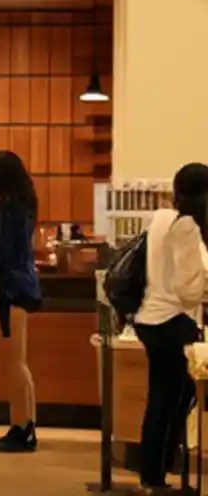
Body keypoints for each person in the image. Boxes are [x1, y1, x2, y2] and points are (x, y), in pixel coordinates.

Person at [134, 163, 208, 493]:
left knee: (160, 399)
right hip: (174, 322)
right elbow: (189, 290)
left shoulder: (161, 217)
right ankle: (157, 477)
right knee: (175, 399)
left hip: (150, 318)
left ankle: (153, 476)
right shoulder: (187, 226)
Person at [0, 150, 43, 453]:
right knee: (21, 362)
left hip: (7, 294)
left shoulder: (1, 213)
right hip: (25, 290)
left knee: (13, 364)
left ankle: (20, 427)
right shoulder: (25, 209)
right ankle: (27, 424)